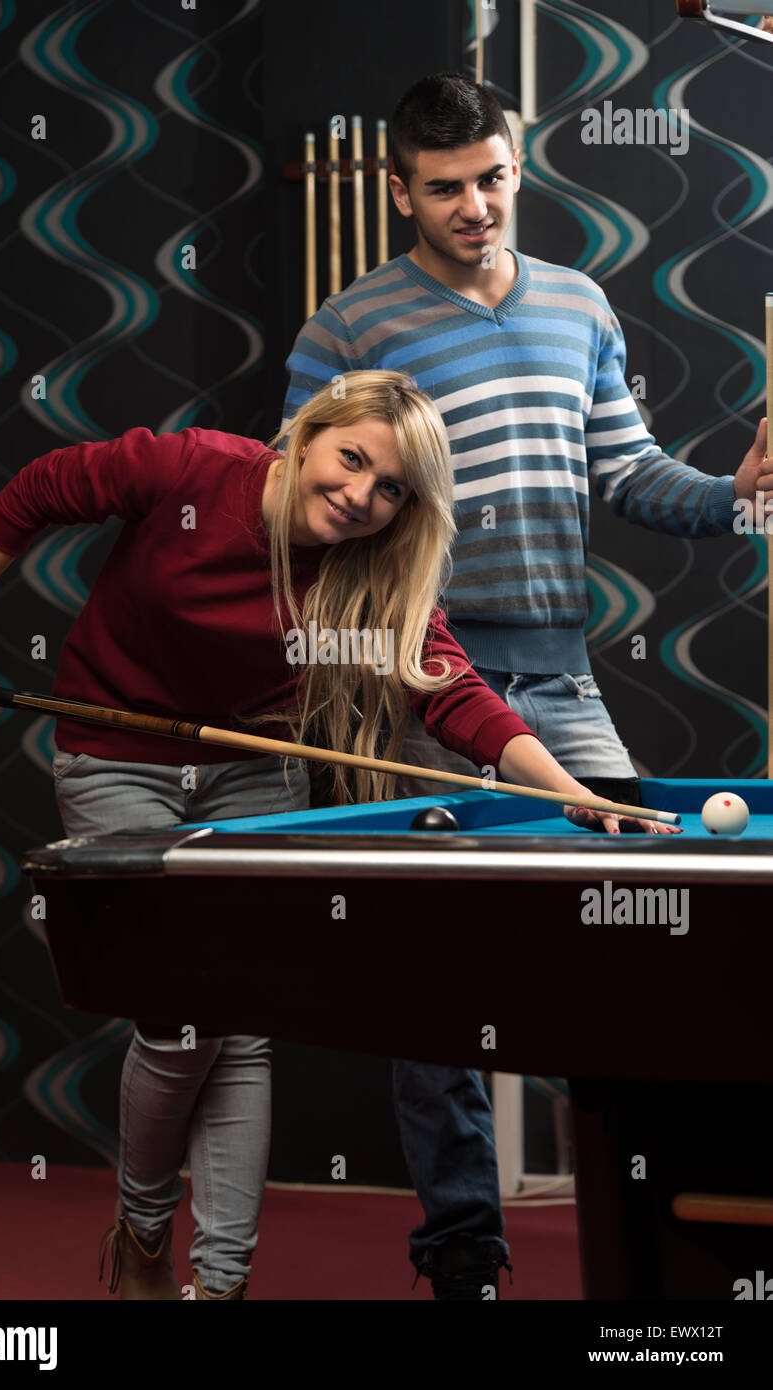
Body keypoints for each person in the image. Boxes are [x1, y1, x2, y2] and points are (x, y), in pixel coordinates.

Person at [0, 372, 674, 1302]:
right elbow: (40, 489)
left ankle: (219, 1283)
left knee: (242, 1025)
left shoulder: (375, 569)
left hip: (255, 765)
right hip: (115, 756)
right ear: (309, 436)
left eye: (389, 489)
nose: (359, 497)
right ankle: (145, 1227)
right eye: (352, 460)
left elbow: (455, 692)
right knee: (181, 1020)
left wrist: (568, 795)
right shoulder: (189, 471)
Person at [280, 74, 772, 1300]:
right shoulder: (349, 327)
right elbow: (300, 509)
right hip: (422, 679)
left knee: (637, 944)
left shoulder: (579, 303)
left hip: (558, 672)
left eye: (492, 177)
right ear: (399, 190)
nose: (476, 206)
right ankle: (464, 1261)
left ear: (517, 165)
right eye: (444, 187)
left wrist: (747, 496)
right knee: (435, 987)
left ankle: (657, 1229)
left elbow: (634, 474)